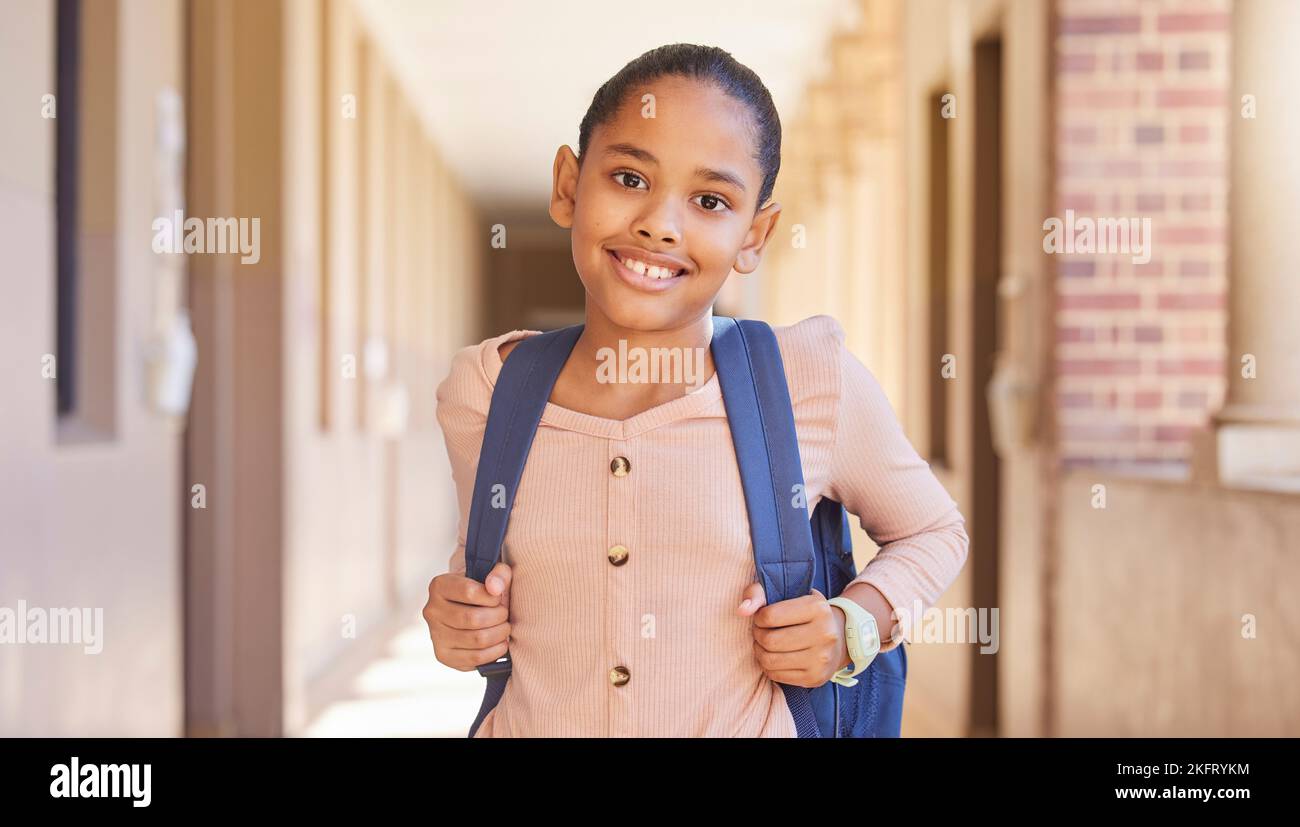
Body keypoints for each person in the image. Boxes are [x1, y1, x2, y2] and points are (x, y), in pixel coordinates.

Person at [424, 44, 969, 737]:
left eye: (710, 200)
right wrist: (460, 618)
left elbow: (933, 529)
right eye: (628, 176)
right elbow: (488, 577)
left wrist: (851, 622)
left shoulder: (807, 379)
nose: (660, 223)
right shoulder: (489, 390)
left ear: (755, 234)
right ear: (568, 184)